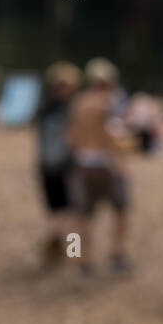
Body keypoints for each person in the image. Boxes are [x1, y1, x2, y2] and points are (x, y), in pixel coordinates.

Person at [66, 58, 134, 275]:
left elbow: (71, 136)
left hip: (82, 163)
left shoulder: (78, 102)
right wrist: (120, 163)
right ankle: (117, 254)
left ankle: (80, 260)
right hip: (105, 164)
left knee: (82, 217)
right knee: (121, 211)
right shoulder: (108, 102)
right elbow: (110, 136)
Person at [34, 62, 81, 268]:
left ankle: (56, 243)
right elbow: (71, 138)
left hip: (44, 164)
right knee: (71, 210)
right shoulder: (70, 109)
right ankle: (72, 251)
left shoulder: (43, 108)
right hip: (65, 165)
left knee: (55, 209)